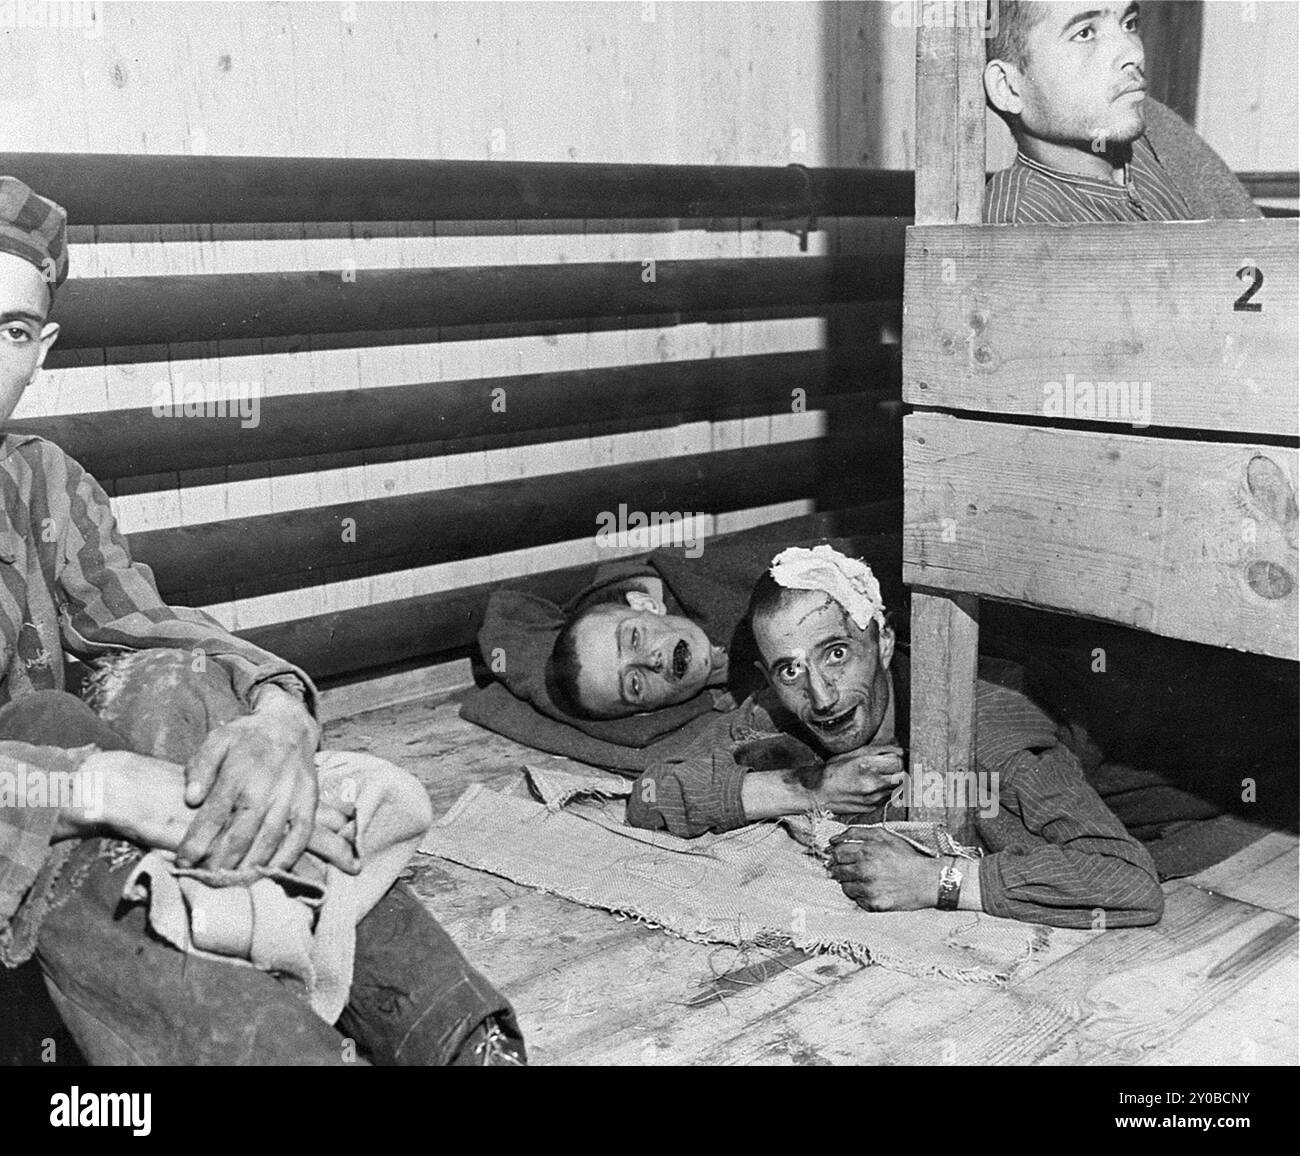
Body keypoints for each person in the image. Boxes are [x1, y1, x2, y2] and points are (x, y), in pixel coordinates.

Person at [0, 175, 524, 1065]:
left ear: (41, 346)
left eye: (10, 331)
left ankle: (458, 1041)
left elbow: (150, 625)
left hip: (74, 908)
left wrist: (279, 719)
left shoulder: (40, 479)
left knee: (178, 690)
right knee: (50, 726)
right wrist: (105, 786)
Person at [626, 545, 1164, 930]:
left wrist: (937, 881)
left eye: (837, 653)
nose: (822, 696)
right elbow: (650, 798)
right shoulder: (777, 713)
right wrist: (807, 789)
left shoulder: (986, 731)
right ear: (770, 678)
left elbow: (1128, 882)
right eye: (791, 670)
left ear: (883, 643)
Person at [982, 0, 1260, 223]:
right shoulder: (1019, 226)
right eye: (1085, 33)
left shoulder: (1155, 129)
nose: (1134, 53)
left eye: (1129, 24)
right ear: (1008, 87)